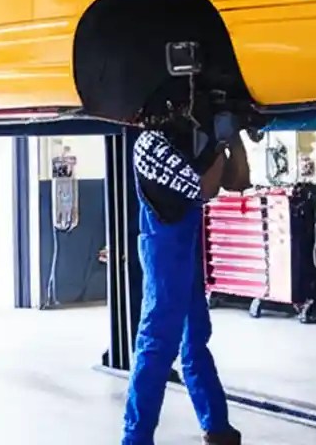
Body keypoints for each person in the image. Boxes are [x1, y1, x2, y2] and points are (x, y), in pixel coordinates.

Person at [123, 109, 251, 445]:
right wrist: (217, 140)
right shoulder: (149, 146)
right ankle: (134, 438)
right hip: (164, 254)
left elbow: (238, 181)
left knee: (195, 339)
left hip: (185, 252)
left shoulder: (191, 138)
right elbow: (205, 187)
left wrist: (231, 137)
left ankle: (217, 427)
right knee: (157, 345)